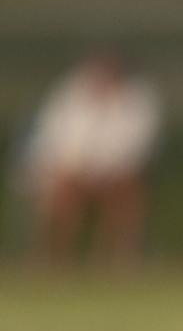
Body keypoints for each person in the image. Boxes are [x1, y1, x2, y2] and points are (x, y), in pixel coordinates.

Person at [22, 52, 162, 263]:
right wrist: (75, 167)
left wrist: (105, 169)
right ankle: (53, 260)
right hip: (74, 169)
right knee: (60, 191)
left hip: (117, 173)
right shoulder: (68, 95)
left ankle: (116, 261)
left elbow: (138, 145)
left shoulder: (138, 100)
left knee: (128, 192)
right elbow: (55, 138)